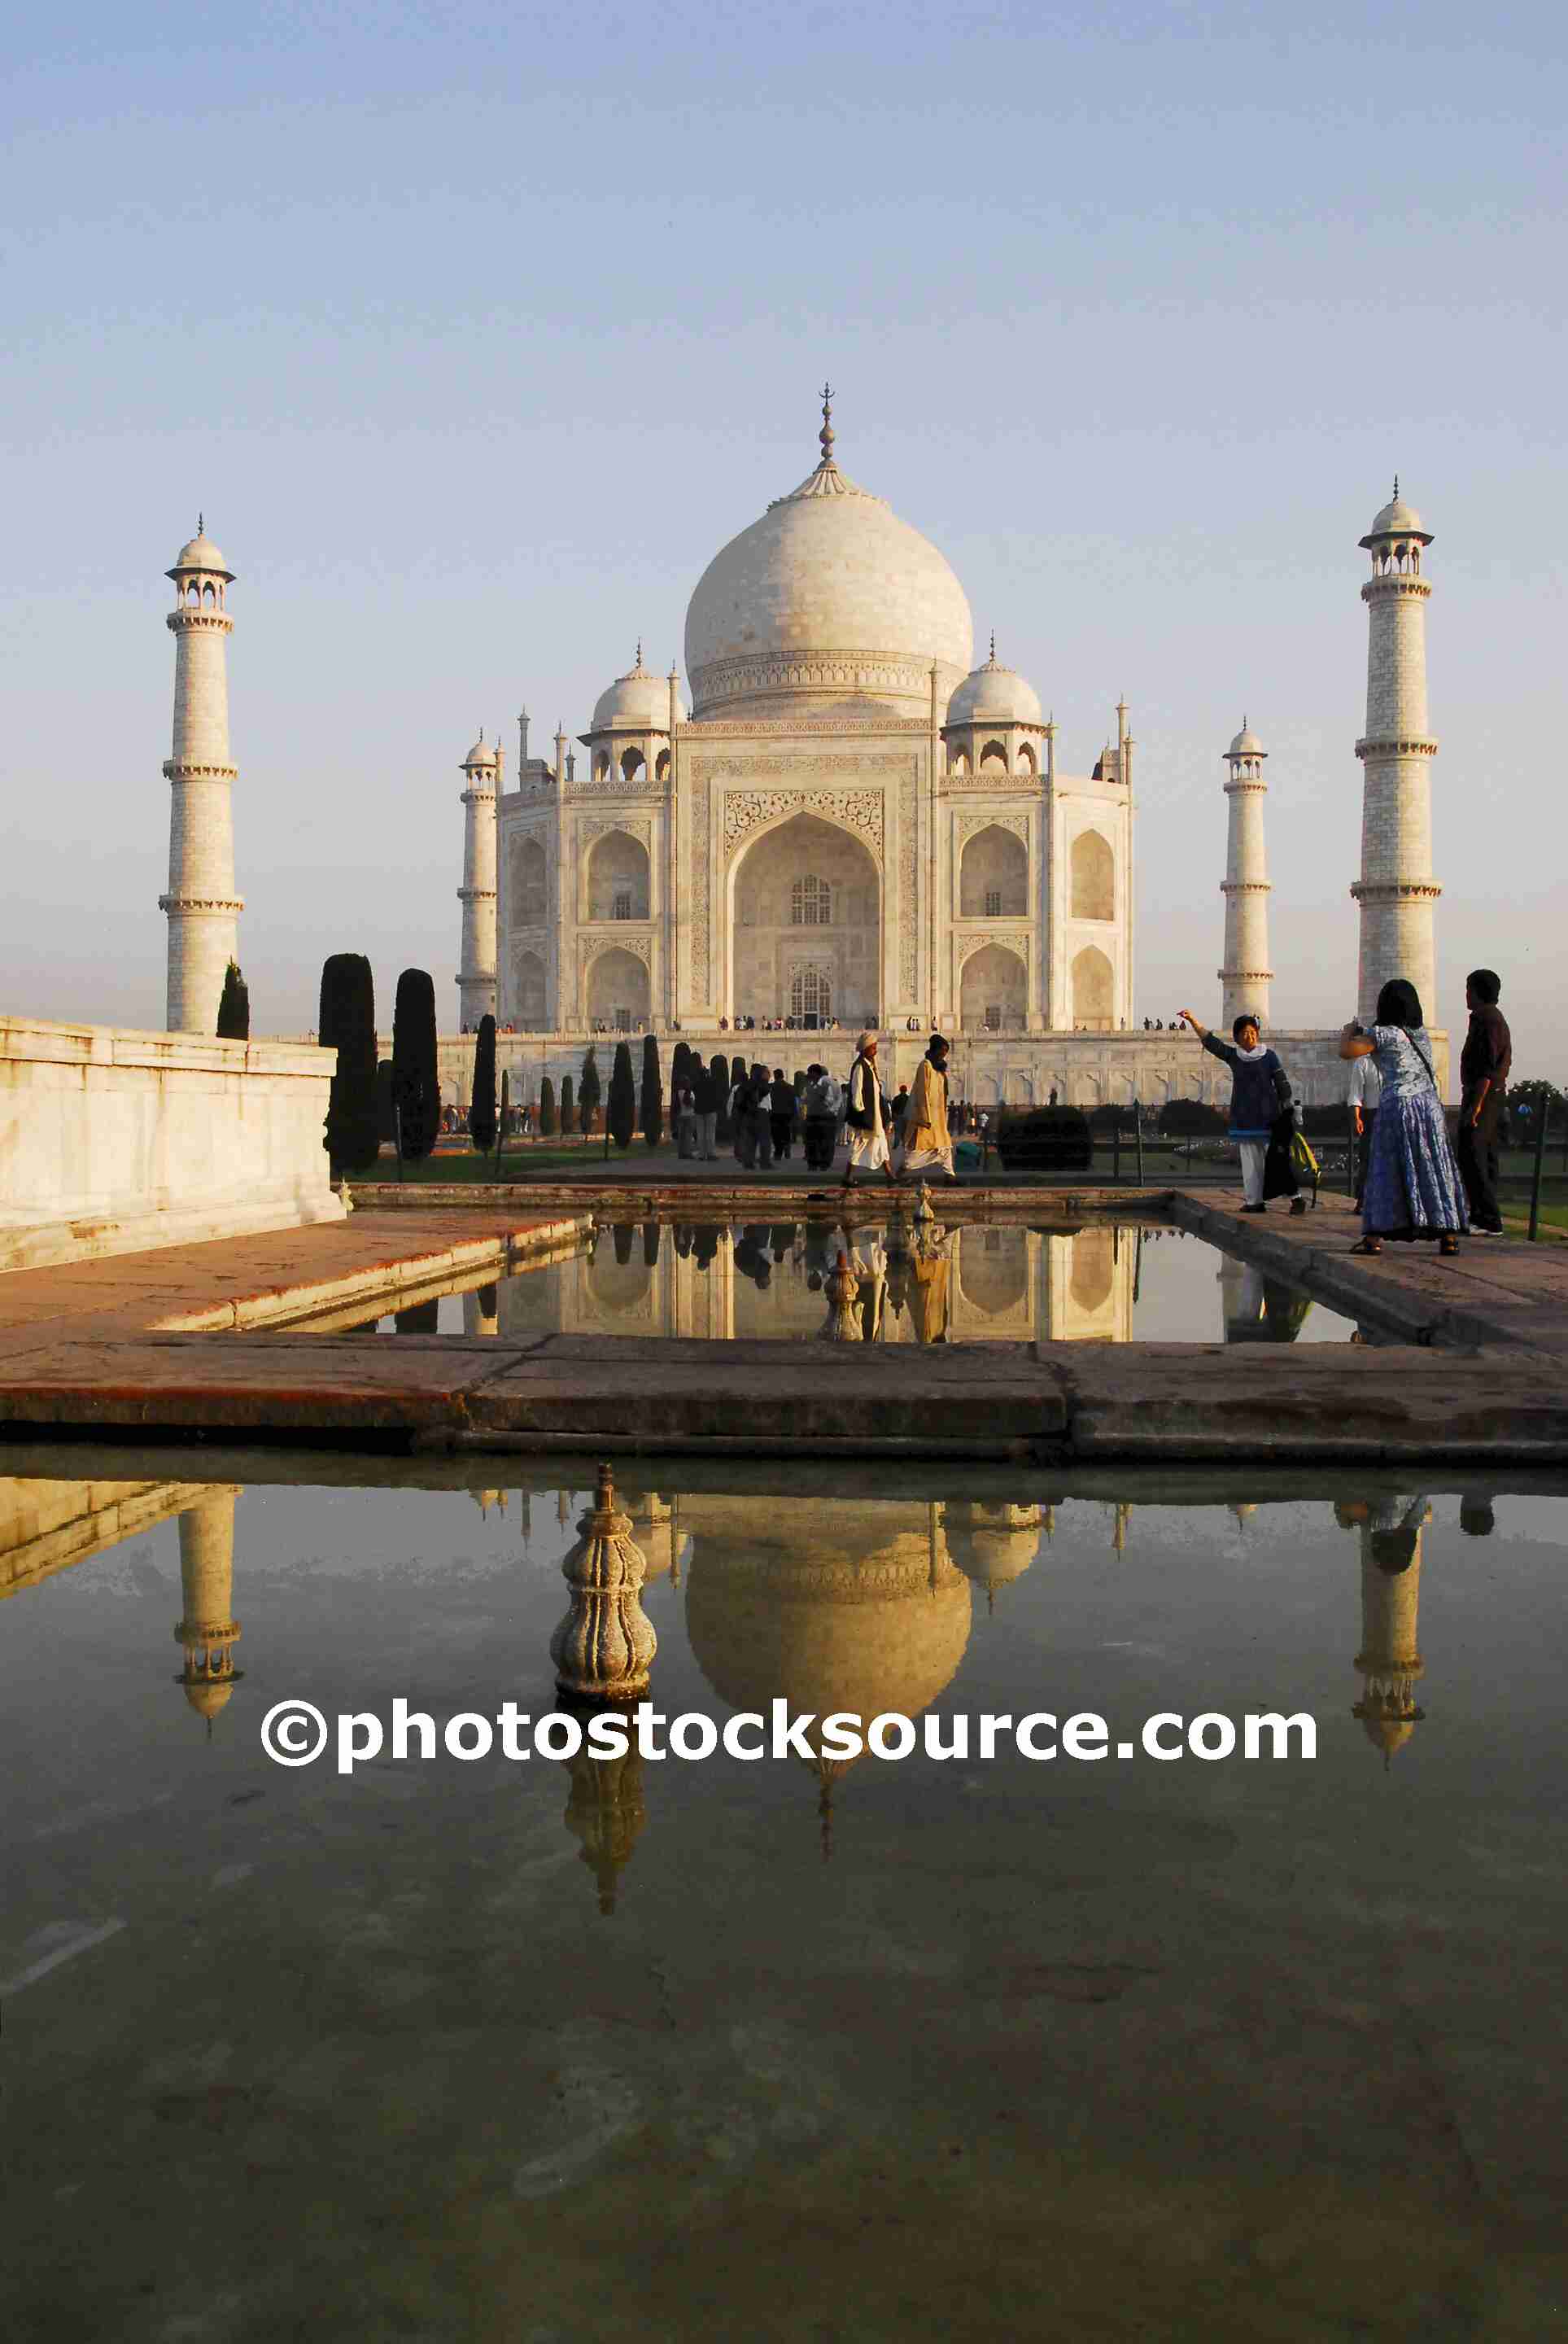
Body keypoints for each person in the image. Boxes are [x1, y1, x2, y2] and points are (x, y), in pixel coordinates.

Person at [1339, 977, 1467, 1257]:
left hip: (1398, 1106)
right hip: (1430, 1106)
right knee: (1434, 1166)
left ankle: (1373, 1237)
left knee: (1387, 1168)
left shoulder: (1384, 1034)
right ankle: (1448, 1236)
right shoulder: (1420, 1034)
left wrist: (1348, 1031)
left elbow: (1347, 1052)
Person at [1178, 1010, 1304, 1214]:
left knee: (1277, 1160)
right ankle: (1254, 1201)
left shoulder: (1268, 1056)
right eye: (1245, 1033)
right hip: (1245, 1116)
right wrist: (1193, 1020)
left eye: (1253, 1032)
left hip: (1268, 1116)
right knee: (1250, 1163)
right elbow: (1212, 1043)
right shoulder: (1235, 1057)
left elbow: (1282, 1085)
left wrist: (1291, 1110)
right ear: (1236, 1037)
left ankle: (1296, 1198)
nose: (1250, 1036)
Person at [1455, 968, 1511, 1235]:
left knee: (1472, 1154)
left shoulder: (1489, 1021)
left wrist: (1476, 1106)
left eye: (1469, 990)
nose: (1466, 995)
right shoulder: (1486, 1018)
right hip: (1486, 1095)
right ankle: (1480, 1215)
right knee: (1479, 1155)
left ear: (1478, 992)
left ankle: (1488, 1219)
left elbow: (1488, 1070)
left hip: (1484, 1096)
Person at [896, 1035, 956, 1181]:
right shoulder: (926, 1066)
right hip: (927, 1117)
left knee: (945, 1147)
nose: (943, 1055)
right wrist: (924, 1116)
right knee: (919, 1149)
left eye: (945, 1052)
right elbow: (921, 1091)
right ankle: (899, 1173)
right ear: (934, 1050)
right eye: (941, 1051)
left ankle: (950, 1176)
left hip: (939, 1117)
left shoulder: (939, 1070)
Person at [842, 1032, 895, 1191]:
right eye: (873, 1048)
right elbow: (856, 1091)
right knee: (859, 1144)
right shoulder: (860, 1067)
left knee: (881, 1145)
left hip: (874, 1116)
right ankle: (848, 1177)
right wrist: (860, 1114)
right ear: (865, 1048)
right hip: (866, 1116)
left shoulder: (869, 1066)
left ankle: (890, 1176)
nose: (875, 1051)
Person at [1347, 1046, 1382, 1209]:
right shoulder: (1363, 1062)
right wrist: (1357, 1118)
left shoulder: (1395, 1061)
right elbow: (1356, 1093)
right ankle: (1363, 1200)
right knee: (1367, 1159)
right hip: (1371, 1115)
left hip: (1393, 1113)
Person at [802, 1063, 841, 1173]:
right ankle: (820, 1163)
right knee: (818, 1141)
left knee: (822, 1141)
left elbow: (829, 1100)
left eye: (810, 1073)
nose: (808, 1075)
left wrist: (829, 1110)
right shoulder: (814, 1084)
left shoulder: (825, 1084)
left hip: (824, 1116)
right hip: (819, 1116)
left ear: (816, 1073)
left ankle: (820, 1164)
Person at [745, 1062, 774, 1170]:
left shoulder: (750, 1083)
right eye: (767, 1072)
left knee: (752, 1139)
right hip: (760, 1112)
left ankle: (749, 1162)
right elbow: (764, 1093)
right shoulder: (762, 1084)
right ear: (762, 1073)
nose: (769, 1074)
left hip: (751, 1113)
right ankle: (765, 1163)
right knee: (765, 1139)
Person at [768, 1068, 797, 1163]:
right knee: (786, 1132)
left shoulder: (771, 1087)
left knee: (776, 1134)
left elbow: (769, 1101)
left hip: (775, 1113)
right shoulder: (790, 1087)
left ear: (775, 1076)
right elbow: (793, 1102)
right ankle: (787, 1150)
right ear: (783, 1076)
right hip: (787, 1114)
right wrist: (794, 1113)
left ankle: (778, 1153)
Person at [693, 1060, 720, 1161]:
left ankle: (701, 1154)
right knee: (710, 1133)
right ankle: (710, 1153)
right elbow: (716, 1095)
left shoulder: (696, 1083)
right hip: (711, 1109)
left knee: (701, 1133)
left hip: (699, 1110)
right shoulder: (712, 1082)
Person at [673, 1077, 697, 1159]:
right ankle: (688, 1153)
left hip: (680, 1115)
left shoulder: (678, 1092)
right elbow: (693, 1104)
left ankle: (681, 1153)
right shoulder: (690, 1093)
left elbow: (676, 1104)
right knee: (688, 1136)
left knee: (681, 1136)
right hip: (690, 1115)